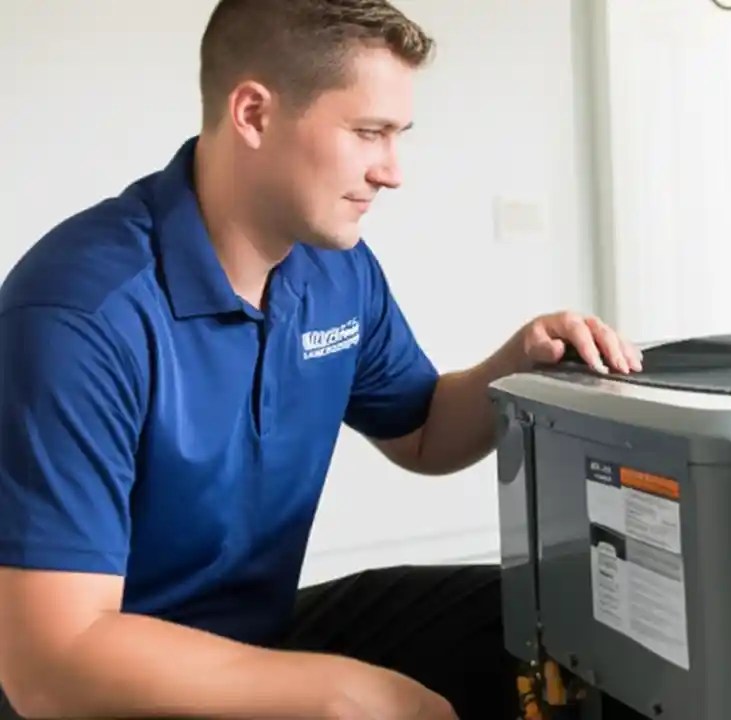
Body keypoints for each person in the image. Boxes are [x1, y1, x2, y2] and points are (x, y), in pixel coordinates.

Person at [0, 1, 641, 718]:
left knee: (551, 621)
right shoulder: (79, 316)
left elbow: (423, 431)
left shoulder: (336, 274)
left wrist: (518, 361)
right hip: (103, 688)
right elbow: (49, 667)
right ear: (252, 114)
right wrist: (340, 694)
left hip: (258, 639)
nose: (392, 172)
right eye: (369, 133)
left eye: (399, 136)